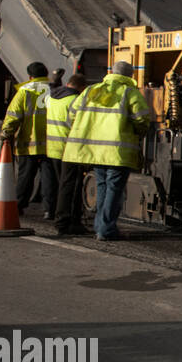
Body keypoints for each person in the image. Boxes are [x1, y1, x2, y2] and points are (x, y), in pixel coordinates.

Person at [61, 61, 154, 241]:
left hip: (95, 151)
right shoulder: (130, 93)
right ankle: (105, 229)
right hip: (117, 153)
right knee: (114, 189)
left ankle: (100, 226)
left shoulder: (91, 90)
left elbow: (71, 113)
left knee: (103, 186)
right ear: (130, 76)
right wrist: (137, 133)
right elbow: (142, 120)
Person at [0, 61, 52, 215]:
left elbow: (14, 115)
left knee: (26, 177)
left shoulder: (25, 91)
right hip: (50, 143)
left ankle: (19, 205)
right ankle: (50, 209)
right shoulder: (54, 89)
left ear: (30, 76)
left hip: (29, 142)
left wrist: (6, 133)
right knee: (49, 177)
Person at [47, 74, 89, 236]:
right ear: (81, 87)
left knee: (62, 185)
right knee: (71, 186)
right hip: (69, 149)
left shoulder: (53, 98)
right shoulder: (74, 101)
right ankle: (66, 222)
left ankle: (61, 217)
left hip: (53, 147)